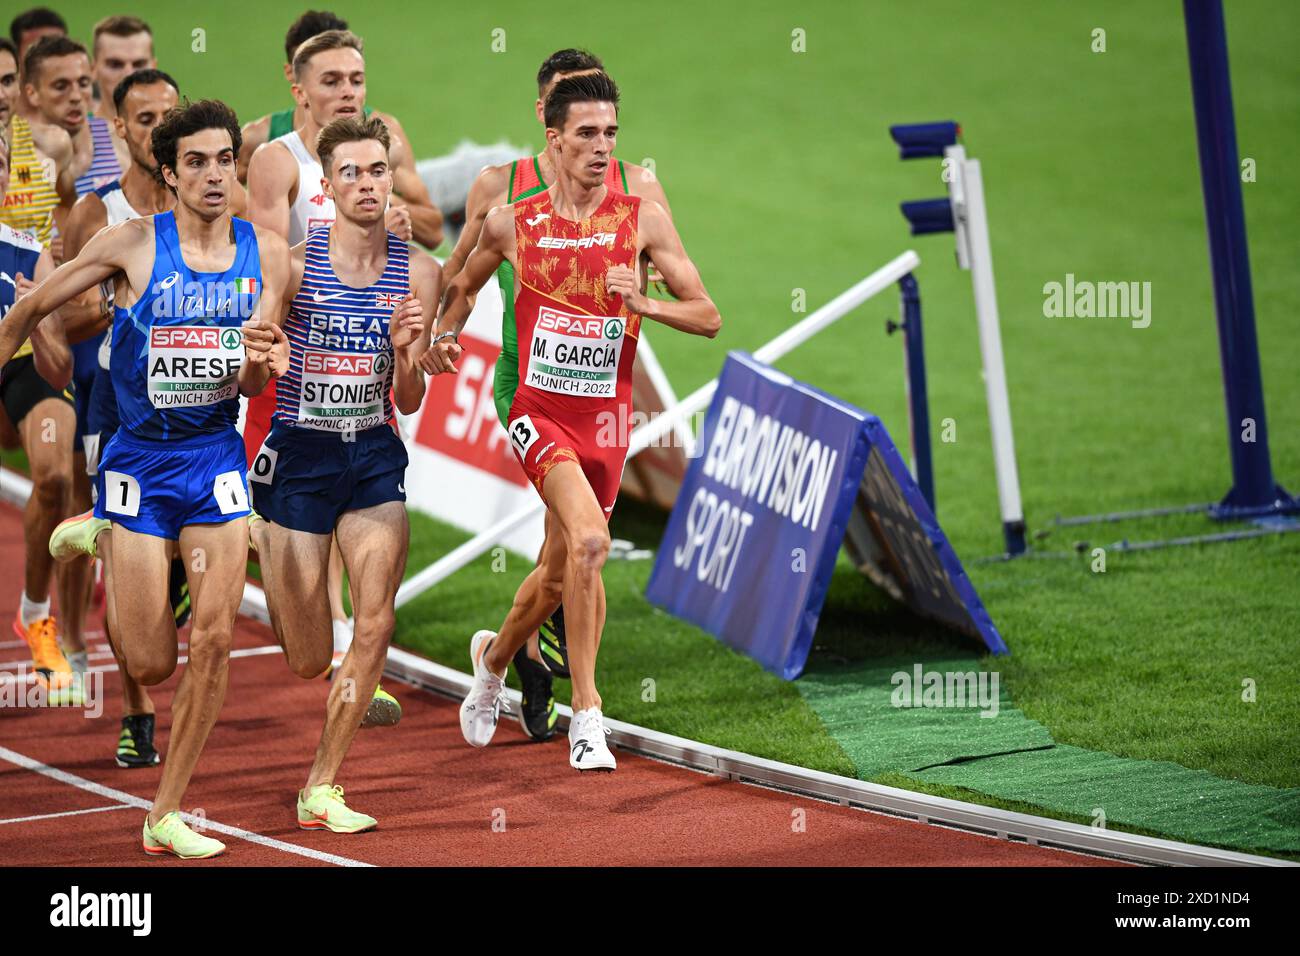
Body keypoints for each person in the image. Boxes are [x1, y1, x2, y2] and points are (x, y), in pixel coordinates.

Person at [9, 99, 291, 859]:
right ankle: (104, 529)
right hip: (136, 462)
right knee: (149, 661)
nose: (211, 174)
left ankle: (166, 811)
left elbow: (250, 380)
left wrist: (263, 364)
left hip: (214, 462)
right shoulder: (133, 243)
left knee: (216, 639)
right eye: (194, 162)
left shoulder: (265, 252)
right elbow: (37, 301)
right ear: (168, 173)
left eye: (223, 160)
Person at [424, 73, 720, 771]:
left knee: (560, 571)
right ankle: (589, 714)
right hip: (537, 408)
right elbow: (459, 282)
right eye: (587, 133)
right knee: (591, 542)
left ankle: (493, 659)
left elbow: (707, 315)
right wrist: (438, 338)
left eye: (611, 132)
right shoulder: (509, 214)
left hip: (608, 423)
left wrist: (647, 307)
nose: (601, 146)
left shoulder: (640, 213)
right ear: (551, 137)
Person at [249, 114, 439, 831]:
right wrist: (259, 357)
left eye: (378, 171)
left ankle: (321, 786)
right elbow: (250, 373)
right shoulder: (292, 267)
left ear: (392, 179)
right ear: (325, 188)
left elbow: (413, 398)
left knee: (376, 620)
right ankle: (260, 538)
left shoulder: (420, 271)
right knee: (304, 657)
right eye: (351, 173)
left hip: (373, 454)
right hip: (300, 455)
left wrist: (408, 351)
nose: (367, 183)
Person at [59, 67, 180, 768]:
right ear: (119, 129)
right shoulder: (94, 213)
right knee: (128, 563)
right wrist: (122, 302)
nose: (159, 131)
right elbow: (65, 311)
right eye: (145, 120)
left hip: (196, 410)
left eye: (170, 116)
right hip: (116, 406)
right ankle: (136, 705)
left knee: (164, 570)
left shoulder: (203, 202)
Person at [0, 130, 77, 697]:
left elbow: (59, 369)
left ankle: (35, 614)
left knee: (54, 474)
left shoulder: (29, 247)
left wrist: (36, 315)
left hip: (20, 367)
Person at [237, 9, 349, 184]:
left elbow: (409, 203)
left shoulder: (385, 139)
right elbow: (222, 200)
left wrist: (382, 198)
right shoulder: (257, 139)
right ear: (290, 71)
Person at [87, 15, 155, 172]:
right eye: (115, 64)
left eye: (139, 64)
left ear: (154, 67)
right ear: (93, 70)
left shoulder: (177, 138)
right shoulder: (78, 141)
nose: (129, 74)